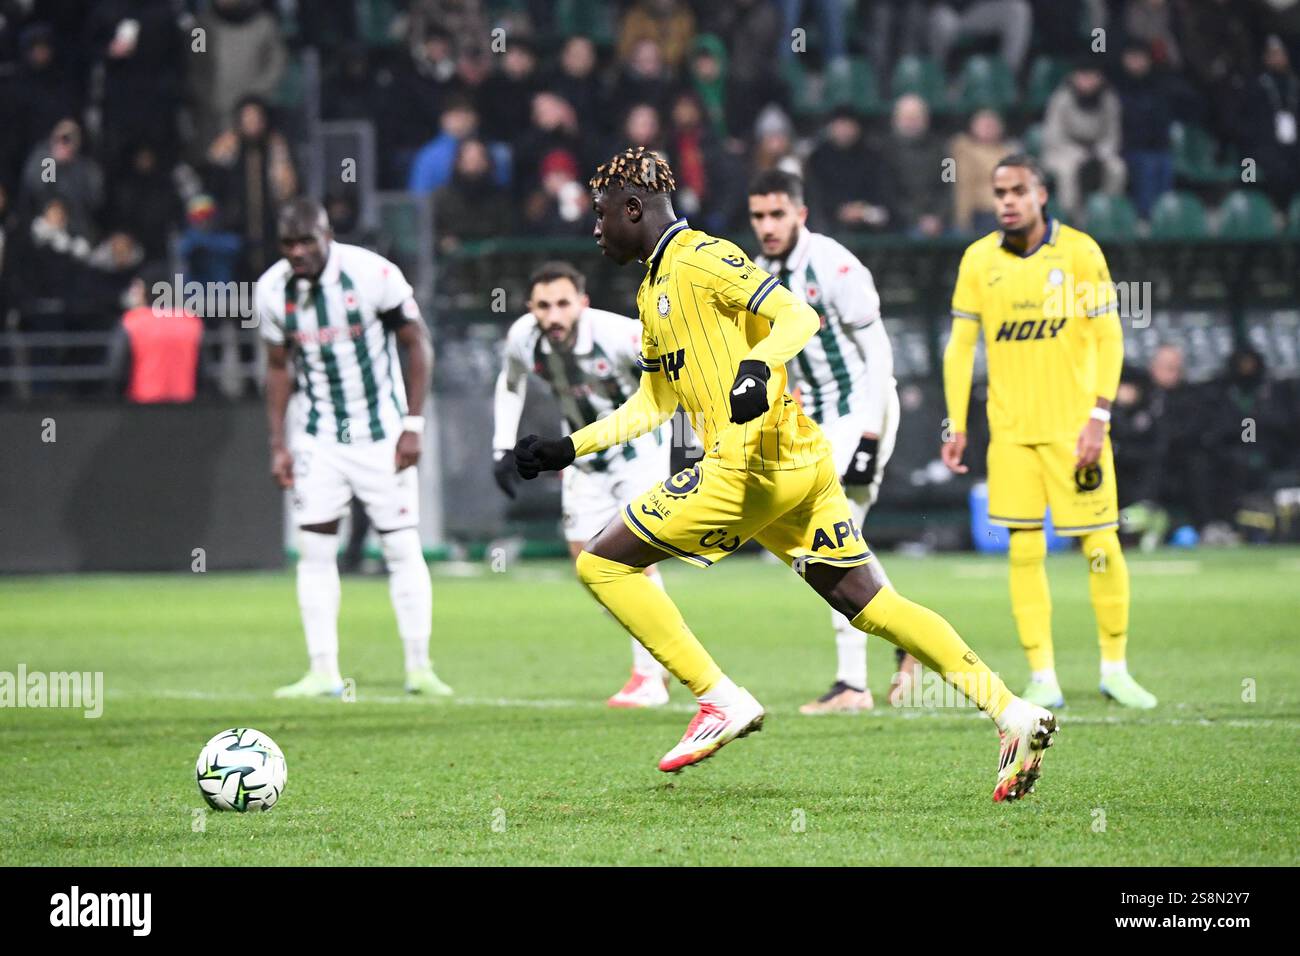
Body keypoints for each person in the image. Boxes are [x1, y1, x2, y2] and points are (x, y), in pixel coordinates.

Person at [514, 147, 1056, 802]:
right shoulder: (652, 289)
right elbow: (655, 403)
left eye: (600, 216)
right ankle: (1012, 713)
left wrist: (758, 365)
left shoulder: (705, 257)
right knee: (872, 605)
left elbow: (799, 316)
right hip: (798, 469)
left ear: (634, 209)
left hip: (747, 470)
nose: (595, 229)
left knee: (600, 564)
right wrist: (570, 447)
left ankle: (719, 698)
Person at [941, 153, 1157, 711]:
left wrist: (1099, 415)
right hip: (1012, 435)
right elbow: (961, 348)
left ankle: (1115, 668)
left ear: (1042, 193)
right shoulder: (978, 260)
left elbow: (1109, 338)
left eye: (1018, 190)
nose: (1007, 200)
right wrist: (957, 423)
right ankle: (1043, 674)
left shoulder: (1080, 252)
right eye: (1000, 191)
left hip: (1075, 430)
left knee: (1101, 545)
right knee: (1023, 550)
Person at [256, 199, 451, 699]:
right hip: (319, 438)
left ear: (328, 236)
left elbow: (417, 343)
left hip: (382, 434)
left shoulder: (372, 273)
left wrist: (413, 424)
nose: (297, 253)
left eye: (307, 242)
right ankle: (322, 671)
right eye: (289, 244)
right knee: (315, 551)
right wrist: (278, 443)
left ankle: (419, 667)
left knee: (402, 547)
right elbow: (277, 367)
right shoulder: (273, 289)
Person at [747, 169, 918, 713]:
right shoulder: (758, 272)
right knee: (835, 543)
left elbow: (879, 354)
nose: (767, 226)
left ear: (801, 212)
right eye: (758, 216)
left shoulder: (836, 265)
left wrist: (870, 435)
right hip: (816, 421)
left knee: (831, 540)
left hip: (863, 409)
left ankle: (852, 683)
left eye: (777, 214)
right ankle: (906, 643)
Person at [493, 262, 675, 707]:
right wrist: (501, 447)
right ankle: (662, 650)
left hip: (639, 452)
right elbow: (510, 382)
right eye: (543, 306)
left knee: (631, 559)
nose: (553, 316)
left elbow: (674, 377)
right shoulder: (523, 337)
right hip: (582, 459)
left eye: (562, 304)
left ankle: (650, 673)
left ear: (582, 303)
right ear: (530, 307)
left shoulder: (621, 337)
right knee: (589, 567)